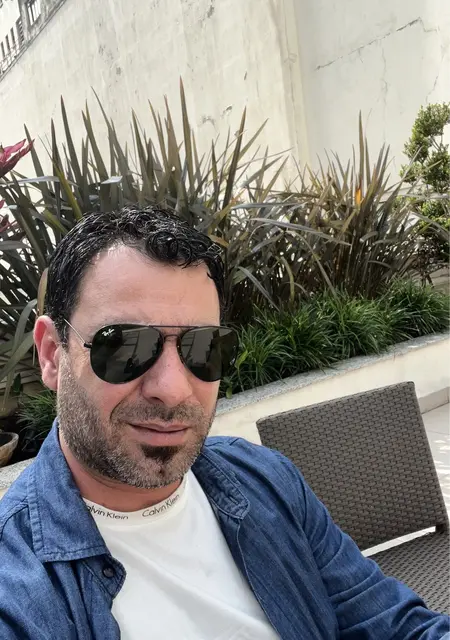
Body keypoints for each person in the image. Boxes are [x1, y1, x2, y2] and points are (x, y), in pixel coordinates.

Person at [0, 206, 448, 640]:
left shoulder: (265, 480)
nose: (173, 389)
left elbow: (390, 622)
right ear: (51, 354)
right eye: (125, 347)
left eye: (202, 347)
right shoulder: (16, 586)